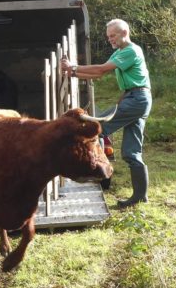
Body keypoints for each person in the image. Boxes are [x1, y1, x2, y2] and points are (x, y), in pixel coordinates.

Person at [61, 19, 152, 209]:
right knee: (131, 153)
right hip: (135, 98)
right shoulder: (120, 52)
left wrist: (73, 68)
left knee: (96, 129)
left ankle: (97, 171)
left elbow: (101, 69)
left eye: (113, 36)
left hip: (136, 99)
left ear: (124, 32)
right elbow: (99, 74)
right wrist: (72, 73)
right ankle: (140, 196)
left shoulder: (130, 51)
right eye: (108, 36)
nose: (110, 39)